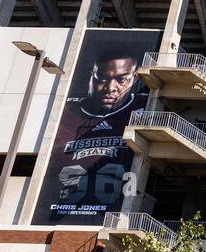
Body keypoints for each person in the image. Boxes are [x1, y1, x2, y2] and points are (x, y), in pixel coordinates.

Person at [41, 38, 150, 223]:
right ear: (91, 76)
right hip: (55, 216)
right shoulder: (65, 112)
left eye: (121, 79)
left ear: (135, 78)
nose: (110, 88)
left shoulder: (144, 108)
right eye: (103, 78)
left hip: (113, 215)